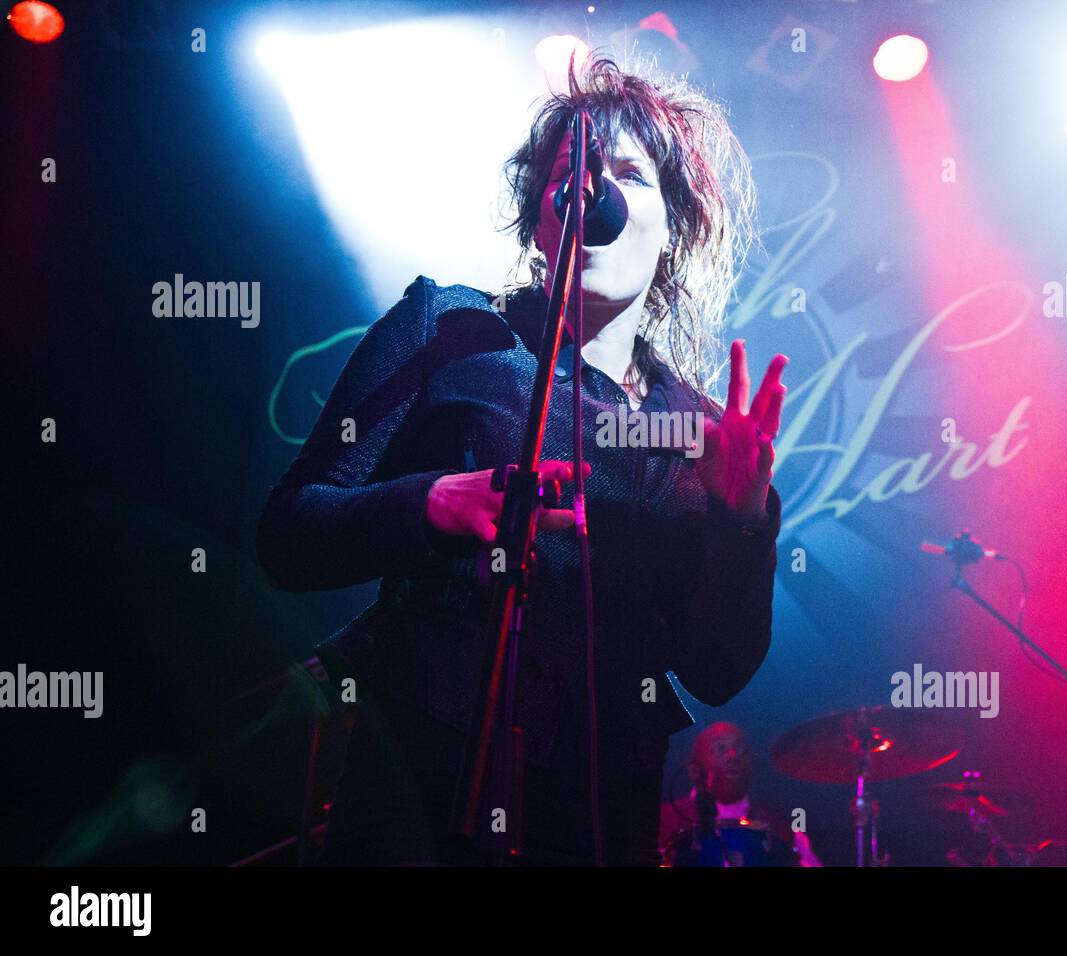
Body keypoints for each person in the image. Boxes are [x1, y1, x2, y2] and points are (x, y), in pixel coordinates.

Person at [255, 55, 788, 866]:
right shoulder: (452, 331)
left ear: (673, 225)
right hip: (425, 787)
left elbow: (716, 672)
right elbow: (289, 532)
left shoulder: (701, 434)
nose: (591, 189)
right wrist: (430, 502)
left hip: (600, 817)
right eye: (569, 173)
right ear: (542, 216)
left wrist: (745, 523)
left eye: (628, 175)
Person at [659, 721, 822, 867]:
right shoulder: (664, 820)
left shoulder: (782, 828)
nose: (733, 755)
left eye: (741, 750)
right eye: (720, 749)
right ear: (694, 771)